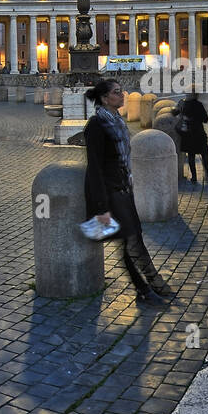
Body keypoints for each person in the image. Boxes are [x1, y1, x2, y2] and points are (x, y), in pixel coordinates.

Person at [78, 81, 175, 304]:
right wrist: (101, 208)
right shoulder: (96, 125)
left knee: (134, 238)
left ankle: (153, 284)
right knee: (129, 240)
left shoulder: (117, 121)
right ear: (104, 98)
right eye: (116, 92)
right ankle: (145, 287)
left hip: (124, 188)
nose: (121, 95)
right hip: (110, 192)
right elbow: (94, 167)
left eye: (121, 91)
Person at [176, 91, 208, 184]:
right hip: (198, 133)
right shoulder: (198, 105)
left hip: (187, 134)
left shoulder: (182, 103)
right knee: (204, 153)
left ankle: (194, 177)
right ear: (196, 95)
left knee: (191, 155)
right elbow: (205, 119)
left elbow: (175, 113)